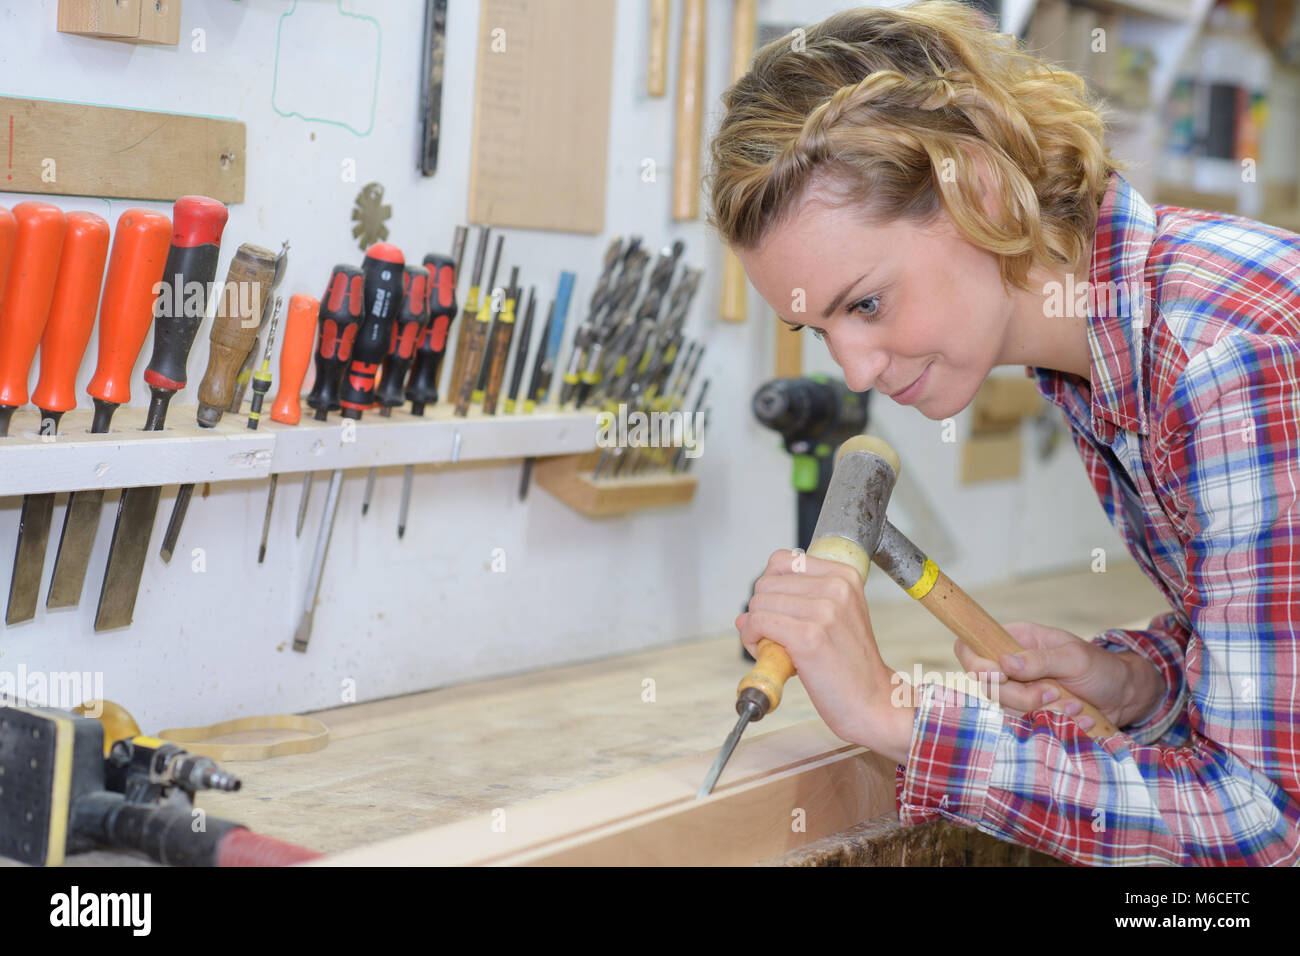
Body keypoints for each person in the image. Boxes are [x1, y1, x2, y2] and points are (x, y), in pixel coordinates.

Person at [710, 0, 1300, 865]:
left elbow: (1266, 829)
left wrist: (898, 716)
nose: (858, 371)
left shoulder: (1223, 360)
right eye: (819, 330)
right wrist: (1136, 683)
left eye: (867, 304)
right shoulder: (1098, 360)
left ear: (977, 188)